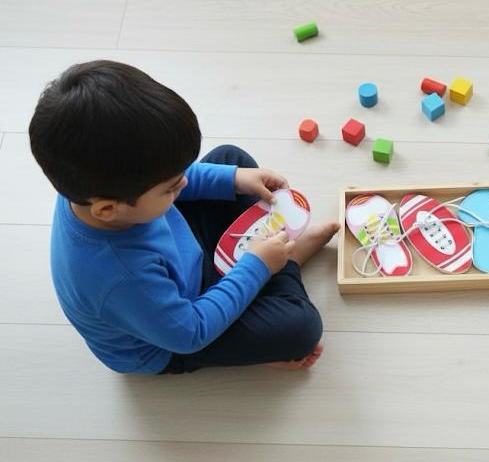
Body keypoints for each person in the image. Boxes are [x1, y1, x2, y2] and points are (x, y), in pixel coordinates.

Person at [29, 60, 340, 374]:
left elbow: (163, 176)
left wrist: (233, 178)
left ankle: (268, 263)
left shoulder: (91, 184)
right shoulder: (121, 278)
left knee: (231, 161)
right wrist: (257, 266)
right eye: (171, 186)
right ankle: (287, 262)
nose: (184, 183)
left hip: (182, 255)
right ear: (108, 209)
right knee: (301, 329)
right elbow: (191, 332)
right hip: (175, 334)